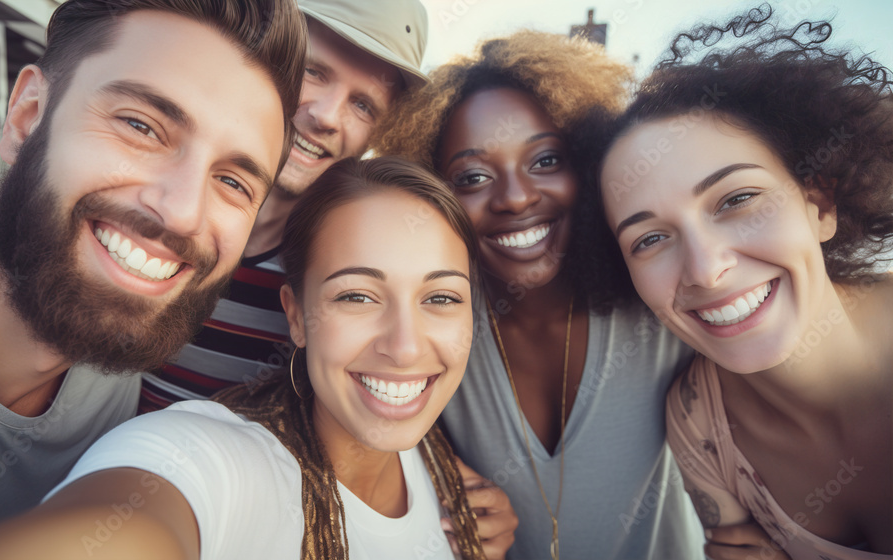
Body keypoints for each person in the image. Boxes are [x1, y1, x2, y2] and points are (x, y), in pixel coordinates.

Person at [0, 156, 488, 560]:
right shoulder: (215, 461)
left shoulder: (443, 465)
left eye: (441, 298)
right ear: (295, 316)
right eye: (357, 296)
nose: (407, 346)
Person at [0, 0, 305, 553]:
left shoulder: (124, 353)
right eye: (141, 126)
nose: (183, 212)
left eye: (233, 182)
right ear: (27, 116)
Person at [374, 31, 706, 559]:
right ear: (436, 195)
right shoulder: (429, 331)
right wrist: (432, 480)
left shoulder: (661, 305)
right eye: (474, 176)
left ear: (590, 162)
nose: (515, 196)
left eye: (546, 161)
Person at [597, 7, 893, 559]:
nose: (706, 269)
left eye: (737, 200)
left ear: (820, 204)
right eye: (649, 240)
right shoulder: (696, 423)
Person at [143, 0, 430, 411]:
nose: (327, 116)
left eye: (363, 105)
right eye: (313, 73)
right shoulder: (148, 194)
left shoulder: (341, 283)